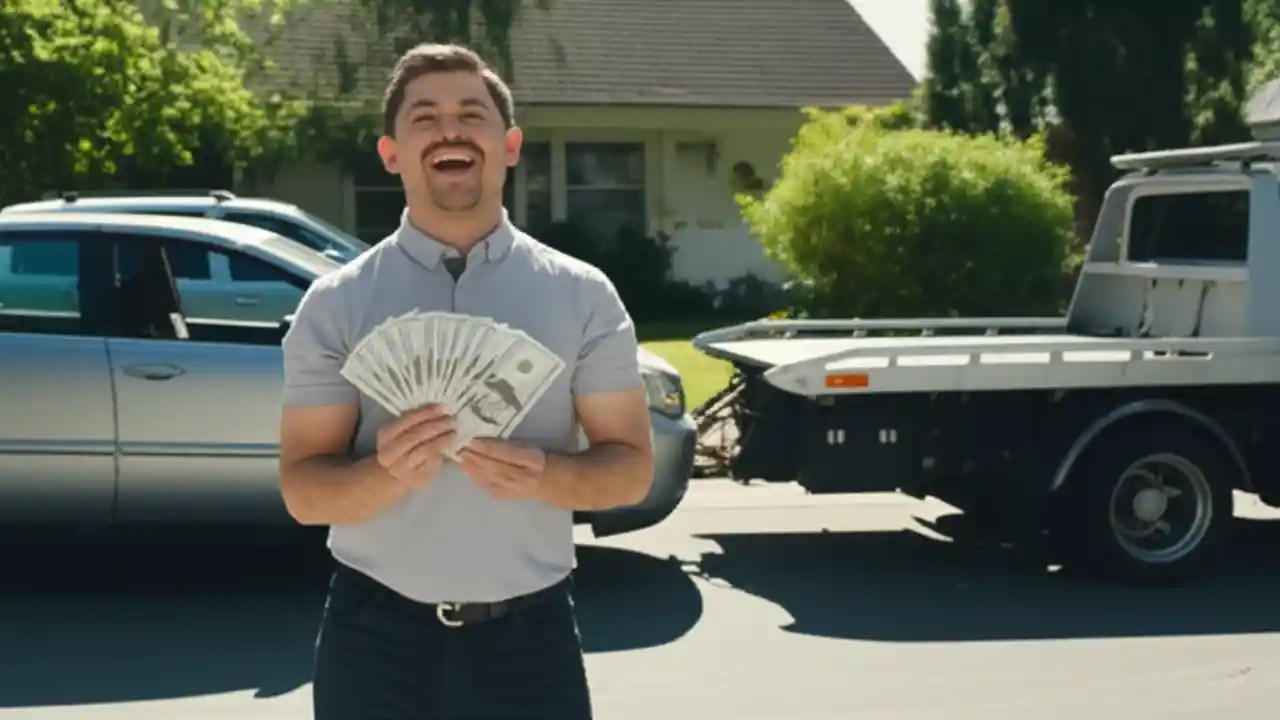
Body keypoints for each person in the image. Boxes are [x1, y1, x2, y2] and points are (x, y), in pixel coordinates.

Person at [277, 42, 655, 720]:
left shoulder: (582, 295)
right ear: (390, 153)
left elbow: (629, 472)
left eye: (470, 114)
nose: (449, 129)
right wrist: (385, 471)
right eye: (424, 117)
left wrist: (542, 473)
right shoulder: (335, 303)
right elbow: (305, 491)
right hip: (373, 637)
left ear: (509, 146)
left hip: (529, 641)